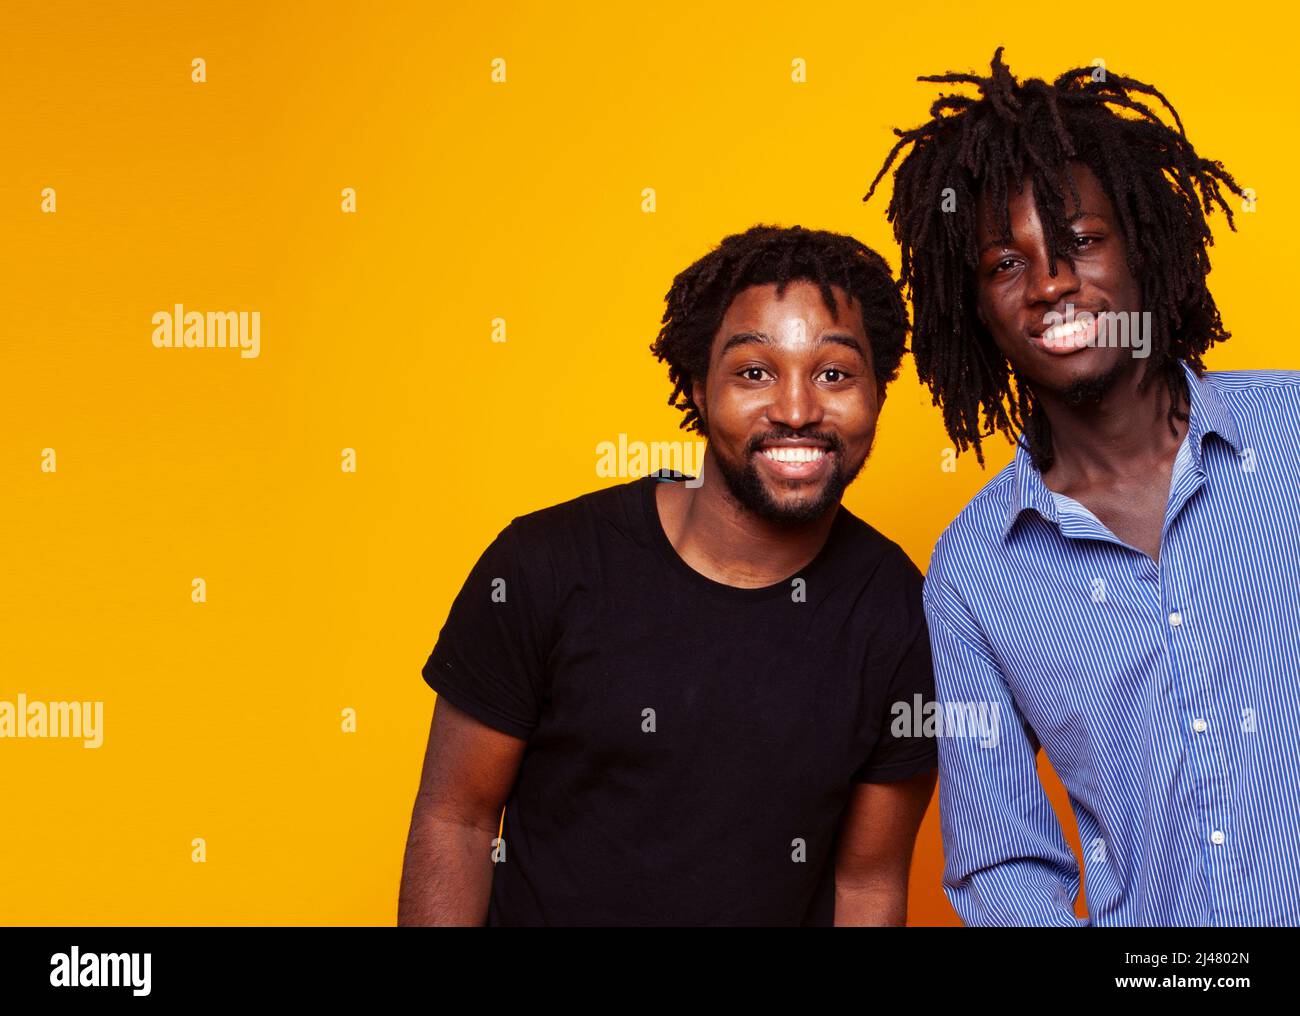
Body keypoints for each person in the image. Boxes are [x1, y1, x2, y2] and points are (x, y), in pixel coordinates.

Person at [866, 47, 1300, 925]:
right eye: (1006, 264)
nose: (1052, 282)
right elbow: (1000, 862)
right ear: (975, 308)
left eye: (1082, 241)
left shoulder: (1291, 436)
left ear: (1144, 249)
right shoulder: (974, 574)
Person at [398, 225, 937, 925]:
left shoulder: (899, 613)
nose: (798, 409)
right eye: (754, 372)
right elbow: (456, 821)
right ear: (696, 385)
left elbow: (869, 886)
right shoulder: (545, 566)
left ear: (878, 392)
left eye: (834, 373)